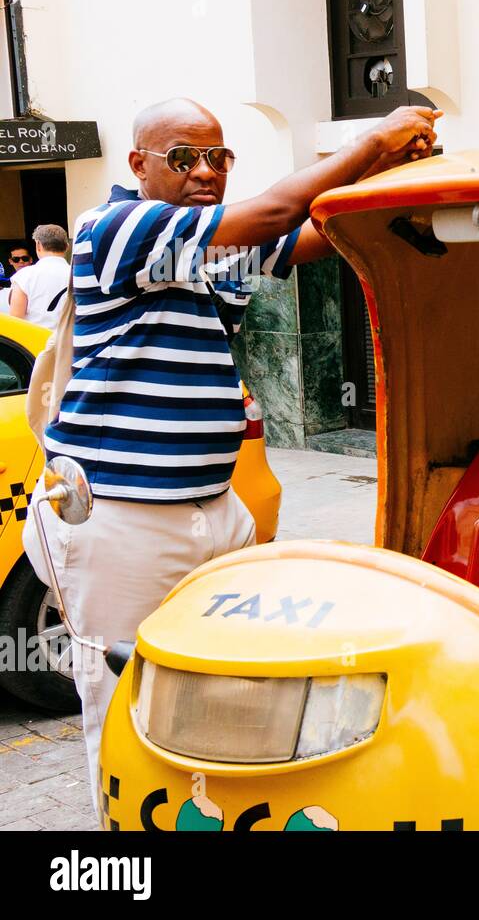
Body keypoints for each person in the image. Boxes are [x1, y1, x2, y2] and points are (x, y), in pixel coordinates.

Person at [22, 97, 442, 810]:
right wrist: (374, 141)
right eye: (182, 158)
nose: (204, 172)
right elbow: (278, 213)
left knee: (217, 690)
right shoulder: (117, 227)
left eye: (218, 158)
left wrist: (403, 182)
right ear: (138, 165)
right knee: (122, 702)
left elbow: (315, 233)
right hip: (121, 517)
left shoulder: (221, 246)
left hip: (216, 510)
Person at [9, 224, 72, 329]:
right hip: (73, 341)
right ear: (67, 247)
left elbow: (16, 322)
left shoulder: (24, 276)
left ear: (38, 245)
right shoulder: (77, 274)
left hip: (35, 342)